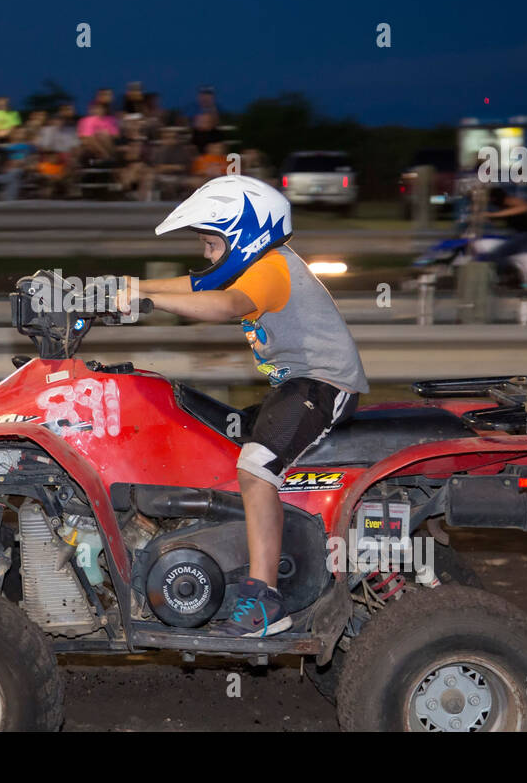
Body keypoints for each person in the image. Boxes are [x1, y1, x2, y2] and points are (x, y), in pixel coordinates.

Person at [120, 176, 368, 637]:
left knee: (255, 469)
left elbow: (225, 303)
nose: (209, 255)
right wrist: (127, 285)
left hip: (322, 385)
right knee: (208, 438)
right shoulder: (257, 264)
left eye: (213, 244)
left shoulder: (273, 268)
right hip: (293, 386)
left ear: (243, 236)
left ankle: (265, 601)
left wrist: (146, 299)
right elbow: (196, 284)